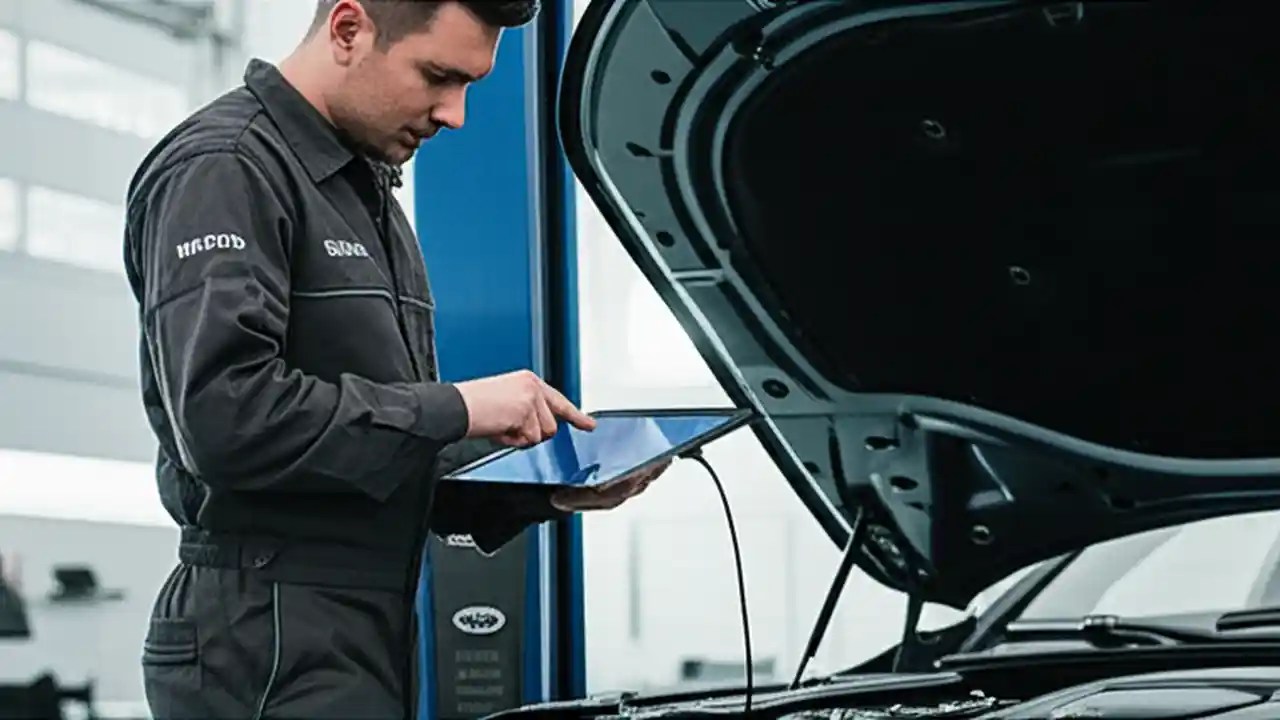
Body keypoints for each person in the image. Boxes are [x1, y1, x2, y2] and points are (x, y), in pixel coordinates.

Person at [122, 2, 666, 718]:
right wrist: (460, 406)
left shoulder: (366, 193)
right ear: (348, 29)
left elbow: (374, 456)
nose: (456, 114)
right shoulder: (225, 169)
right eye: (439, 76)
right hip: (266, 634)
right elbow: (226, 420)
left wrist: (541, 490)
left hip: (363, 623)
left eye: (470, 84)